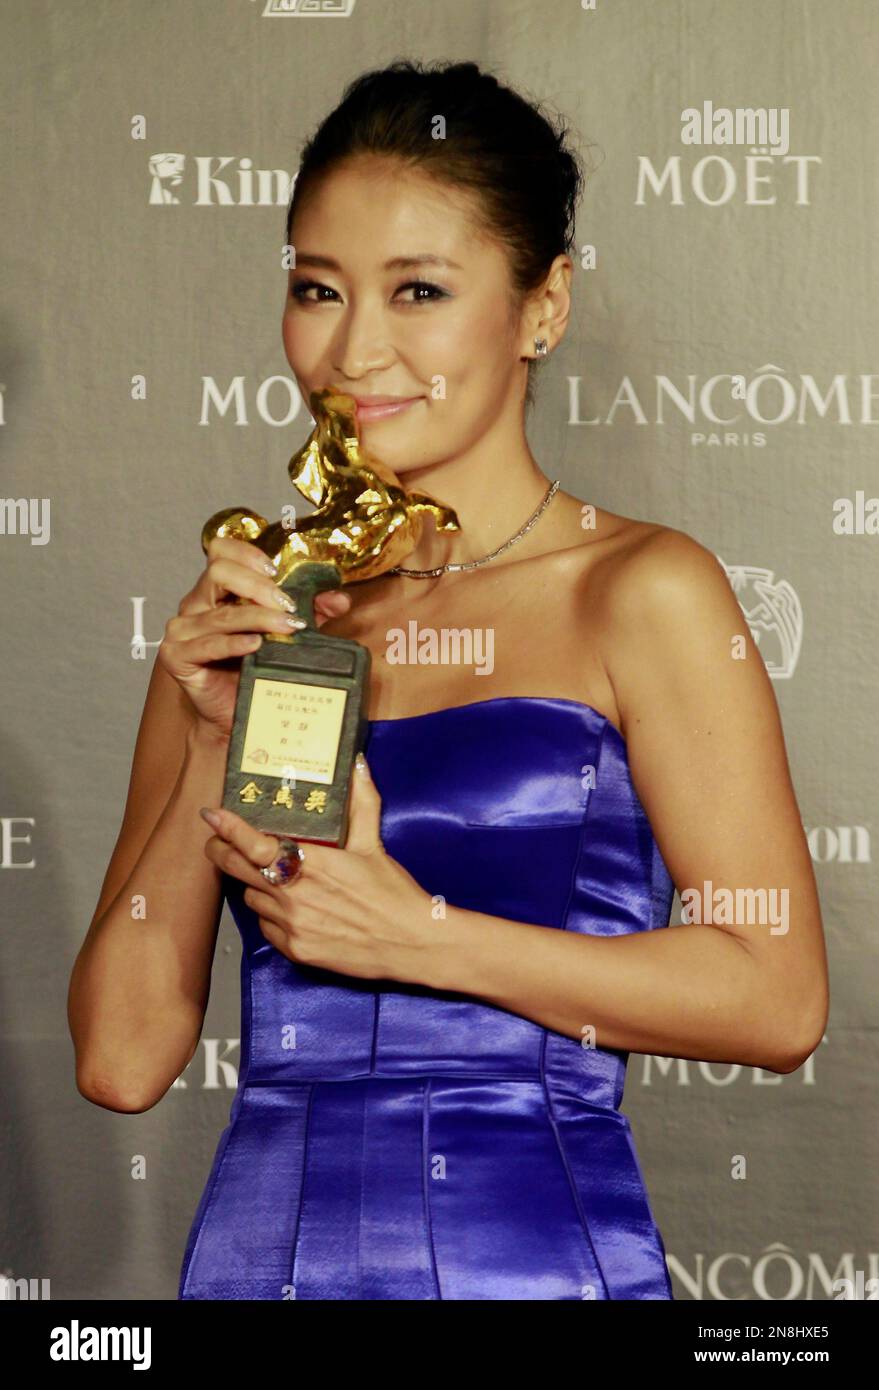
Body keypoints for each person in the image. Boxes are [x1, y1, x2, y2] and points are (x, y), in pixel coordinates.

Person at [68, 59, 828, 1301]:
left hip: (524, 1259)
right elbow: (121, 1059)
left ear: (545, 306)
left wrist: (418, 935)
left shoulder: (641, 592)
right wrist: (212, 731)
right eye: (318, 288)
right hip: (261, 1264)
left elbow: (776, 995)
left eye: (418, 290)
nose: (354, 349)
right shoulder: (257, 604)